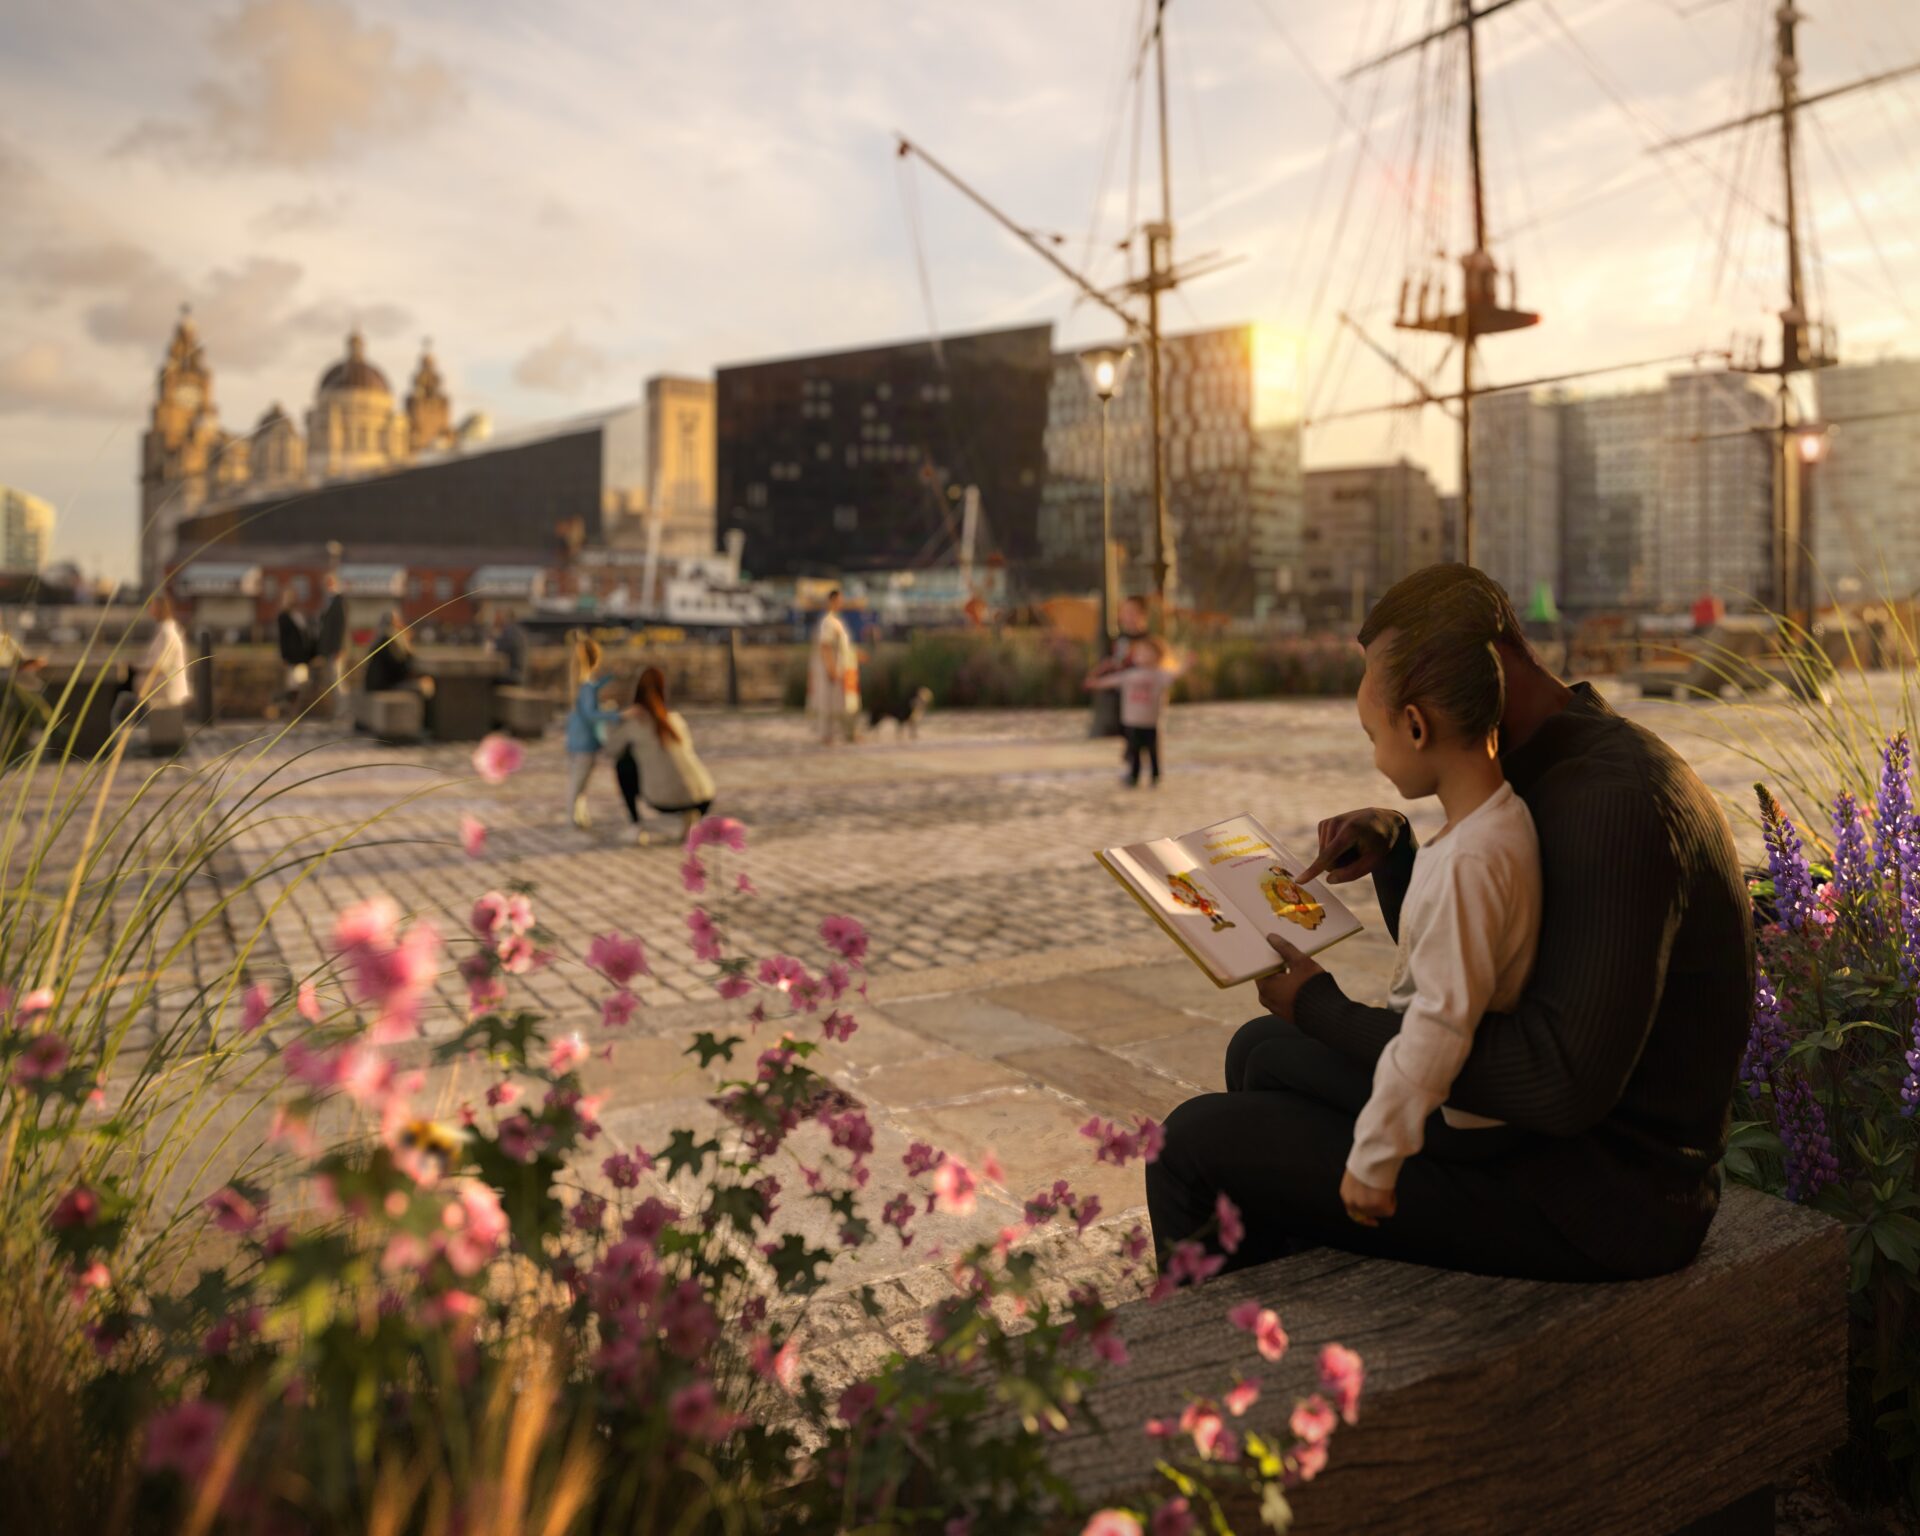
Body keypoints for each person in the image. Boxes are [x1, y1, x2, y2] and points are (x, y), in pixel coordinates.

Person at [1146, 563, 1753, 1283]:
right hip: (1525, 1140)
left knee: (1186, 1145)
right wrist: (1398, 850)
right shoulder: (1539, 770)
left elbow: (1555, 1082)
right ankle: (1289, 1263)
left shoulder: (1611, 802)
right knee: (1261, 1049)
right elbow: (1478, 968)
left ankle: (1214, 1367)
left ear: (1478, 671)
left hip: (1599, 1197)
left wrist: (1323, 1006)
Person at [1252, 602, 1541, 1230]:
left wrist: (1374, 1162)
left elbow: (1438, 1027)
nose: (1375, 757)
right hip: (1469, 1102)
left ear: (1414, 727)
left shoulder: (1467, 861)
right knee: (1260, 1049)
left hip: (1460, 1121)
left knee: (1220, 1113)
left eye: (1371, 736)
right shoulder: (1505, 818)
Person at [607, 665, 717, 845]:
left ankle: (636, 825)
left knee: (623, 764)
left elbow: (611, 749)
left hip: (663, 801)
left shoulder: (635, 723)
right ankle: (690, 818)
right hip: (703, 797)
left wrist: (618, 719)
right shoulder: (675, 719)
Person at [1086, 634, 1178, 787]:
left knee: (1152, 751)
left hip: (1151, 722)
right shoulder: (1129, 675)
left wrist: (1187, 664)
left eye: (1147, 653)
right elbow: (1110, 681)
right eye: (1139, 653)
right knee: (1133, 750)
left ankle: (1155, 775)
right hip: (1132, 721)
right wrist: (1095, 681)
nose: (1142, 656)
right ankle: (1133, 775)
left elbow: (1175, 675)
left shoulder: (1159, 675)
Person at [564, 637, 624, 830]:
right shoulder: (587, 686)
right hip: (585, 743)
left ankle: (579, 815)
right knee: (579, 782)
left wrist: (609, 677)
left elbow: (591, 692)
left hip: (574, 740)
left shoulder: (579, 683)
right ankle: (572, 817)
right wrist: (613, 714)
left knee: (577, 779)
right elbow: (591, 714)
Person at [112, 592, 192, 732]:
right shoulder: (166, 629)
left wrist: (135, 666)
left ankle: (117, 724)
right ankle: (124, 722)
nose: (149, 609)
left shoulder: (166, 632)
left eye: (152, 606)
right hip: (162, 679)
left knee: (120, 687)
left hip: (164, 682)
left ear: (160, 608)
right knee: (123, 686)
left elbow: (160, 664)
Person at [809, 589, 858, 745]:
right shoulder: (827, 622)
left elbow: (843, 647)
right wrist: (830, 668)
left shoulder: (838, 621)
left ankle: (845, 732)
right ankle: (827, 734)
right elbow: (825, 646)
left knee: (842, 703)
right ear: (831, 601)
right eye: (838, 601)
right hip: (830, 669)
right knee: (829, 702)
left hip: (842, 667)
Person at [364, 610, 436, 703]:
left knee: (424, 684)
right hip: (384, 687)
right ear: (394, 623)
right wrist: (407, 644)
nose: (401, 624)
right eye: (398, 621)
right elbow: (402, 668)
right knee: (426, 687)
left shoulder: (381, 639)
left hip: (377, 685)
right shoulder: (391, 640)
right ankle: (428, 718)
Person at [273, 587, 313, 718]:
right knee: (293, 686)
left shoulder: (299, 615)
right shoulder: (283, 616)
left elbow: (305, 635)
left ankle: (295, 712)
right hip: (291, 657)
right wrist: (284, 656)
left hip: (302, 657)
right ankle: (290, 712)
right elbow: (283, 638)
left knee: (301, 685)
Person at [315, 573, 348, 720]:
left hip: (336, 650)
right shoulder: (328, 601)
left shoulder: (339, 600)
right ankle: (338, 710)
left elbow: (342, 626)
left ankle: (343, 711)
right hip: (330, 650)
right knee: (333, 681)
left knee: (338, 681)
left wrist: (339, 648)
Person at [489, 609, 528, 687]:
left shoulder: (509, 631)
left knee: (488, 679)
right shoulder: (518, 630)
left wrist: (493, 635)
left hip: (514, 675)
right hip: (521, 674)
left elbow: (497, 649)